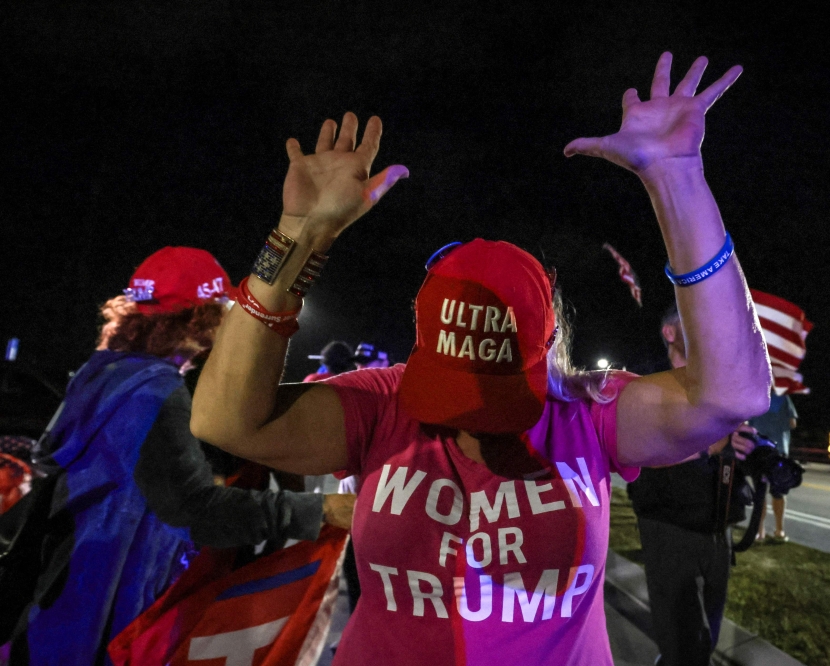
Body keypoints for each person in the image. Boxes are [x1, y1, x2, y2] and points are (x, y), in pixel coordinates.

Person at [191, 53, 772, 665]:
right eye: (452, 384)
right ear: (421, 342)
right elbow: (224, 421)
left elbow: (733, 395)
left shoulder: (587, 413)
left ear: (548, 345)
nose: (470, 421)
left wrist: (678, 179)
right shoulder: (383, 404)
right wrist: (298, 236)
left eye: (497, 387)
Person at [8, 247, 353, 666]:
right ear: (197, 317)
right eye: (222, 308)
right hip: (103, 608)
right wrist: (321, 509)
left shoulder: (105, 373)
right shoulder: (155, 393)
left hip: (66, 590)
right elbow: (196, 510)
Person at [628, 306, 758, 666]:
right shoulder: (647, 382)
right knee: (682, 644)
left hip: (717, 529)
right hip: (670, 528)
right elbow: (640, 449)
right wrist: (710, 444)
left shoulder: (717, 387)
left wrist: (747, 449)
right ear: (670, 332)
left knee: (705, 640)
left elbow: (729, 449)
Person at [748, 389, 797, 542]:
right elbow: (792, 423)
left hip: (759, 450)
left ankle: (759, 532)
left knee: (760, 492)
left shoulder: (755, 399)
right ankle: (779, 531)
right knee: (778, 492)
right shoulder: (784, 398)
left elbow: (749, 425)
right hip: (779, 451)